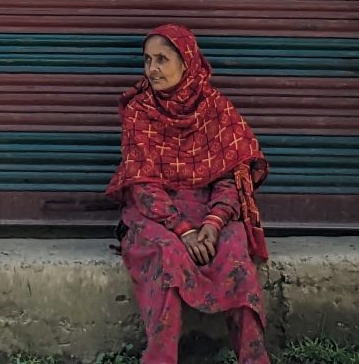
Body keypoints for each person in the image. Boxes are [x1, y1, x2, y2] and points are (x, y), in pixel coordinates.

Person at [108, 24, 270, 364]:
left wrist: (212, 224)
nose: (152, 69)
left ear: (188, 63)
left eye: (162, 60)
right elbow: (142, 185)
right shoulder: (139, 111)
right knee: (168, 255)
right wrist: (184, 229)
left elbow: (231, 176)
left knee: (236, 253)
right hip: (154, 213)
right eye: (147, 60)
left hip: (211, 211)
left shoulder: (216, 109)